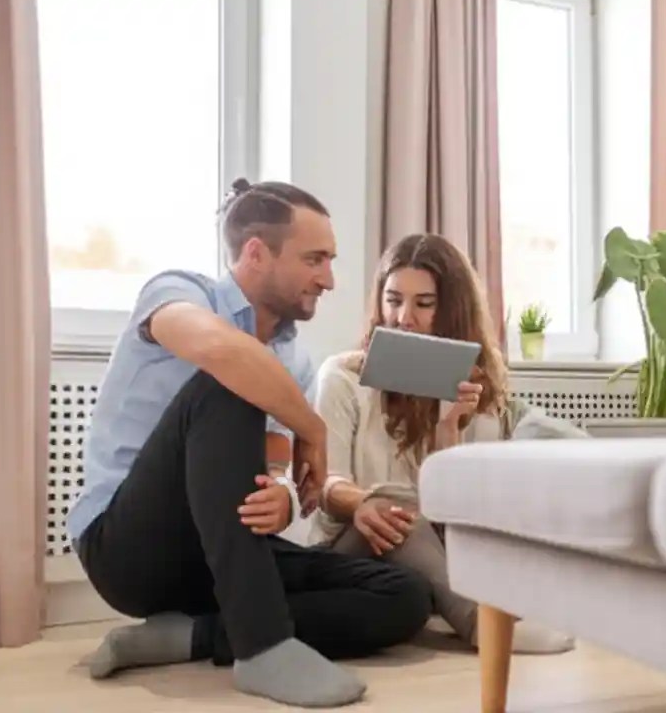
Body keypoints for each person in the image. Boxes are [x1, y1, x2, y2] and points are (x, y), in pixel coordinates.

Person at [67, 179, 432, 708]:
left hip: (221, 556)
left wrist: (282, 495)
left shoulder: (294, 358)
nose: (329, 279)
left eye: (330, 261)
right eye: (315, 259)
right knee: (232, 378)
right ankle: (262, 646)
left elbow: (274, 466)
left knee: (404, 595)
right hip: (127, 548)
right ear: (257, 253)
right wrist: (312, 427)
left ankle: (192, 636)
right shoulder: (177, 292)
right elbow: (224, 353)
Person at [307, 233, 574, 654]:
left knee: (417, 513)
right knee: (396, 503)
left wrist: (448, 427)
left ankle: (482, 609)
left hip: (430, 554)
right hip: (350, 548)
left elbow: (458, 512)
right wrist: (364, 502)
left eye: (423, 304)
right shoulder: (342, 376)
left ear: (451, 309)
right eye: (393, 300)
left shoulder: (477, 388)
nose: (403, 317)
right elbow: (325, 484)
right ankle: (481, 626)